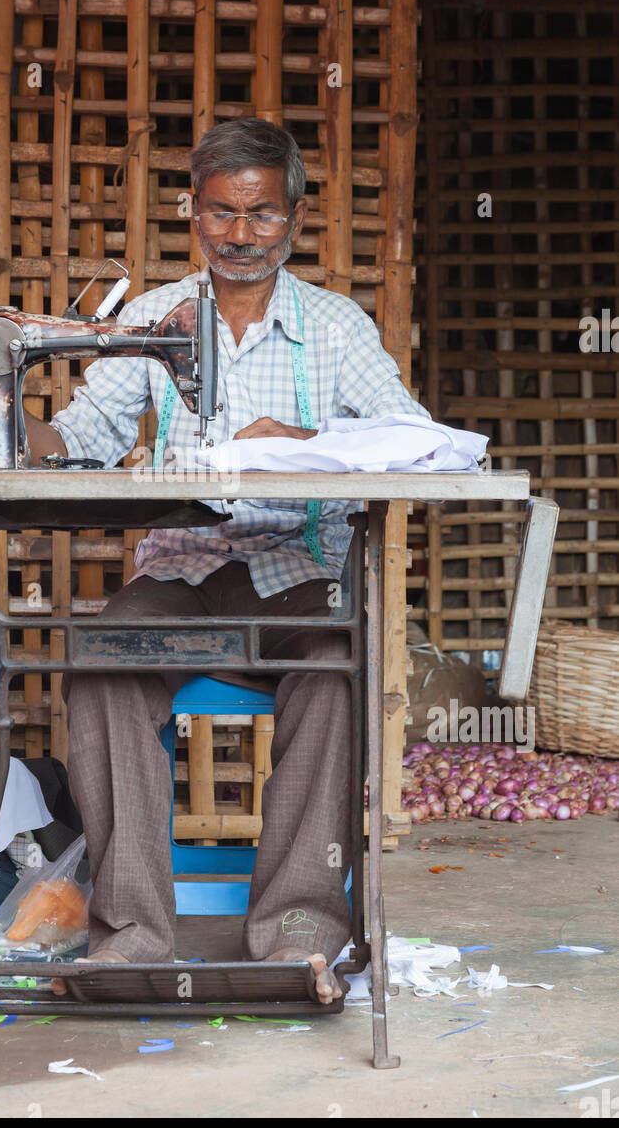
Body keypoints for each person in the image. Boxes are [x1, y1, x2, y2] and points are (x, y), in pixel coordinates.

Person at [25, 117, 428, 1001]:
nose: (241, 236)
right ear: (191, 214)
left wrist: (311, 439)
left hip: (298, 563)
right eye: (220, 214)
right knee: (101, 667)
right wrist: (4, 403)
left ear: (296, 215)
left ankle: (299, 930)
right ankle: (130, 937)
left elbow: (414, 440)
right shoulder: (152, 319)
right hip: (184, 566)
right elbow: (82, 441)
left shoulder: (335, 327)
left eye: (264, 215)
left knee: (334, 668)